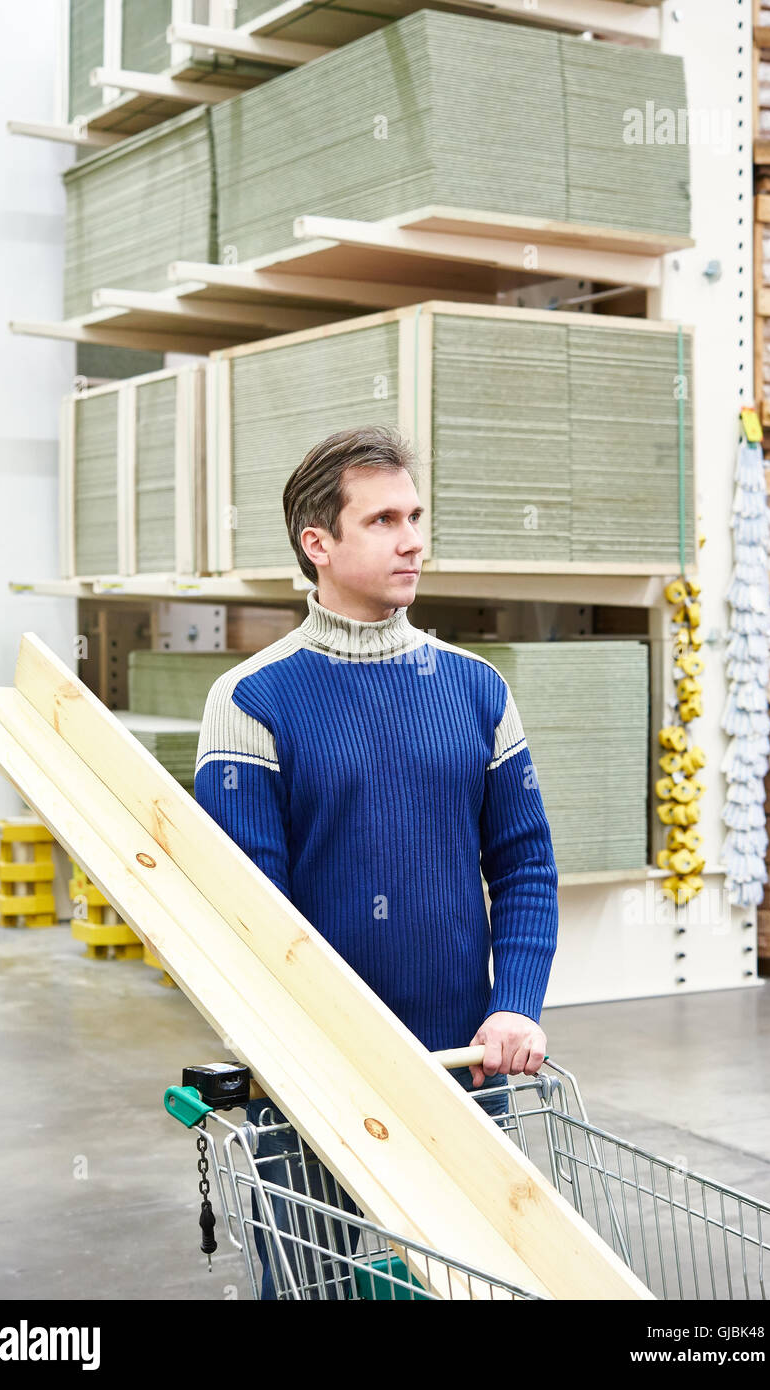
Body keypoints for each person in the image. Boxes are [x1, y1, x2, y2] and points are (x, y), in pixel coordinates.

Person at [194, 425, 559, 1299]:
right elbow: (249, 915)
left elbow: (525, 867)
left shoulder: (477, 689)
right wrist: (311, 1047)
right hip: (316, 1082)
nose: (413, 539)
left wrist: (515, 1004)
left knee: (468, 1285)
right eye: (384, 519)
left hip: (461, 1070)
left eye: (417, 514)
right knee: (318, 1285)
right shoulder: (253, 700)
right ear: (318, 544)